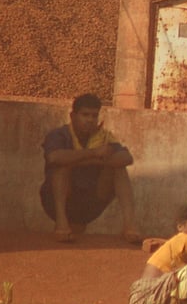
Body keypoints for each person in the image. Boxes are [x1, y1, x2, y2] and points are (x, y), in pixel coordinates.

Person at [39, 92, 139, 243]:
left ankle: (130, 227)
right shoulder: (60, 134)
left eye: (94, 116)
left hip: (91, 201)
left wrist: (92, 160)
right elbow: (54, 157)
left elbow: (127, 158)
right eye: (85, 115)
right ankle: (61, 224)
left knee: (119, 168)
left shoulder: (104, 137)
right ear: (73, 116)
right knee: (61, 166)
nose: (90, 120)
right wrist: (94, 153)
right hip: (57, 201)